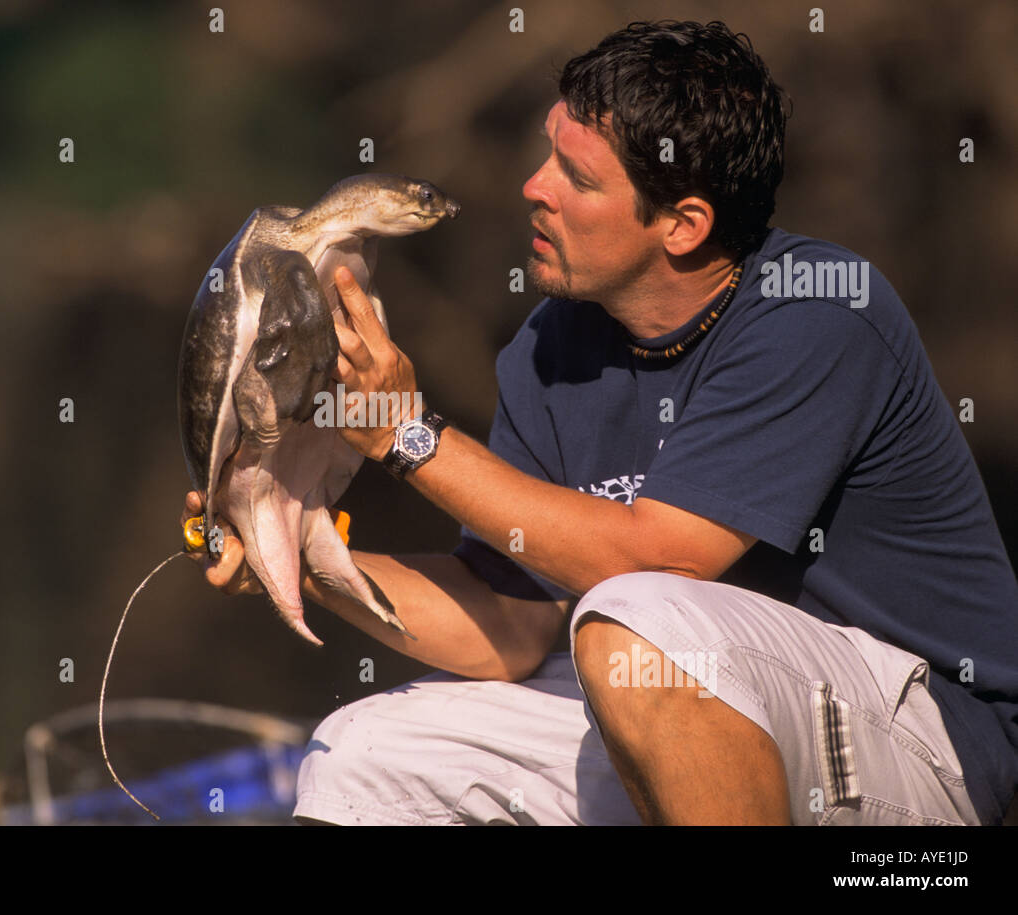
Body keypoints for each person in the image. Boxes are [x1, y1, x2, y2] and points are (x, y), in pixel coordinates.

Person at [181, 19, 1018, 825]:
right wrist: (300, 549)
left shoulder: (821, 312)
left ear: (684, 225)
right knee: (359, 754)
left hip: (927, 740)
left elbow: (663, 557)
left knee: (636, 623)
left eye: (576, 176)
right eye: (549, 150)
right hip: (679, 694)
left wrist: (406, 435)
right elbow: (507, 625)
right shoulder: (551, 344)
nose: (533, 186)